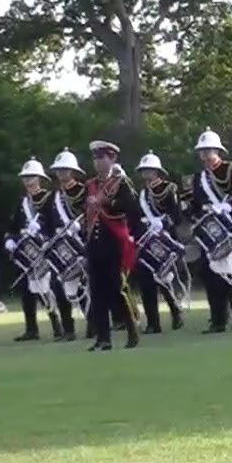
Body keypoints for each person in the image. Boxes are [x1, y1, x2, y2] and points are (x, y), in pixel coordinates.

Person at [187, 128, 232, 334]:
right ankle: (218, 319)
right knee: (209, 274)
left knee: (229, 272)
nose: (206, 155)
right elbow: (195, 204)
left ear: (218, 151)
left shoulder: (231, 170)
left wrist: (231, 206)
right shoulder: (199, 178)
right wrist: (194, 217)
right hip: (209, 232)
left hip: (229, 228)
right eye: (203, 151)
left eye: (210, 151)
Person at [84, 140, 142, 351]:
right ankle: (103, 338)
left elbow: (132, 208)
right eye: (96, 158)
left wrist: (106, 203)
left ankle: (131, 328)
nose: (98, 163)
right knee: (96, 292)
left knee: (117, 288)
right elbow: (86, 214)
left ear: (112, 159)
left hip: (114, 242)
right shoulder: (91, 185)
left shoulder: (121, 183)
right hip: (95, 244)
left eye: (102, 158)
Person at [3, 157, 67, 341]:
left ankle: (57, 324)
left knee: (45, 288)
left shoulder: (49, 199)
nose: (28, 180)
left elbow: (56, 224)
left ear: (39, 178)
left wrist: (42, 230)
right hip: (25, 251)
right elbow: (12, 227)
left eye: (31, 176)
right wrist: (10, 240)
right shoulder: (21, 202)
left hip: (43, 248)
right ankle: (31, 329)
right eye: (25, 177)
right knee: (27, 291)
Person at [133, 151, 185, 334]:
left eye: (150, 170)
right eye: (143, 170)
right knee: (146, 282)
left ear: (157, 171)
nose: (146, 173)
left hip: (165, 240)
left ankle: (175, 310)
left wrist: (162, 222)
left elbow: (177, 215)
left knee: (165, 279)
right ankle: (153, 323)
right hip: (147, 242)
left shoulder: (169, 188)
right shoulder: (141, 194)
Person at [48, 148, 87, 338]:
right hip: (61, 246)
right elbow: (49, 222)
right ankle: (68, 328)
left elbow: (91, 214)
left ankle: (93, 325)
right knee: (58, 286)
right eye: (59, 170)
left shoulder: (83, 190)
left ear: (72, 171)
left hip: (81, 244)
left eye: (65, 170)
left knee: (85, 285)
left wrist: (79, 225)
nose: (61, 174)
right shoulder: (54, 196)